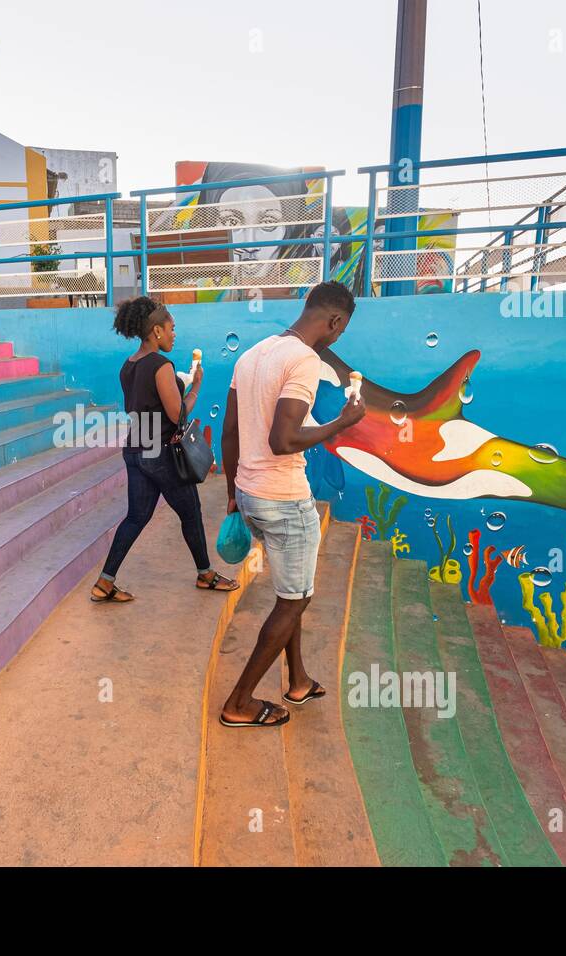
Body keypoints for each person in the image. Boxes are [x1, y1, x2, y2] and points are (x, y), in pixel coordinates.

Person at [218, 281, 365, 727]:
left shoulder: (252, 355)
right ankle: (239, 702)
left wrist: (232, 492)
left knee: (290, 590)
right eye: (341, 329)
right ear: (334, 320)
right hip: (284, 499)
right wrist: (342, 422)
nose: (338, 337)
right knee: (294, 600)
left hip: (250, 491)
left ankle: (297, 679)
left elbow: (230, 432)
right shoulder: (304, 360)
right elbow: (283, 440)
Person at [90, 297, 239, 603]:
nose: (174, 334)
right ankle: (206, 574)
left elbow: (145, 408)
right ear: (156, 330)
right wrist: (195, 386)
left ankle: (105, 582)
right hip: (159, 454)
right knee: (191, 514)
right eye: (171, 329)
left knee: (136, 517)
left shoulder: (128, 366)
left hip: (135, 450)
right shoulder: (161, 365)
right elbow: (177, 415)